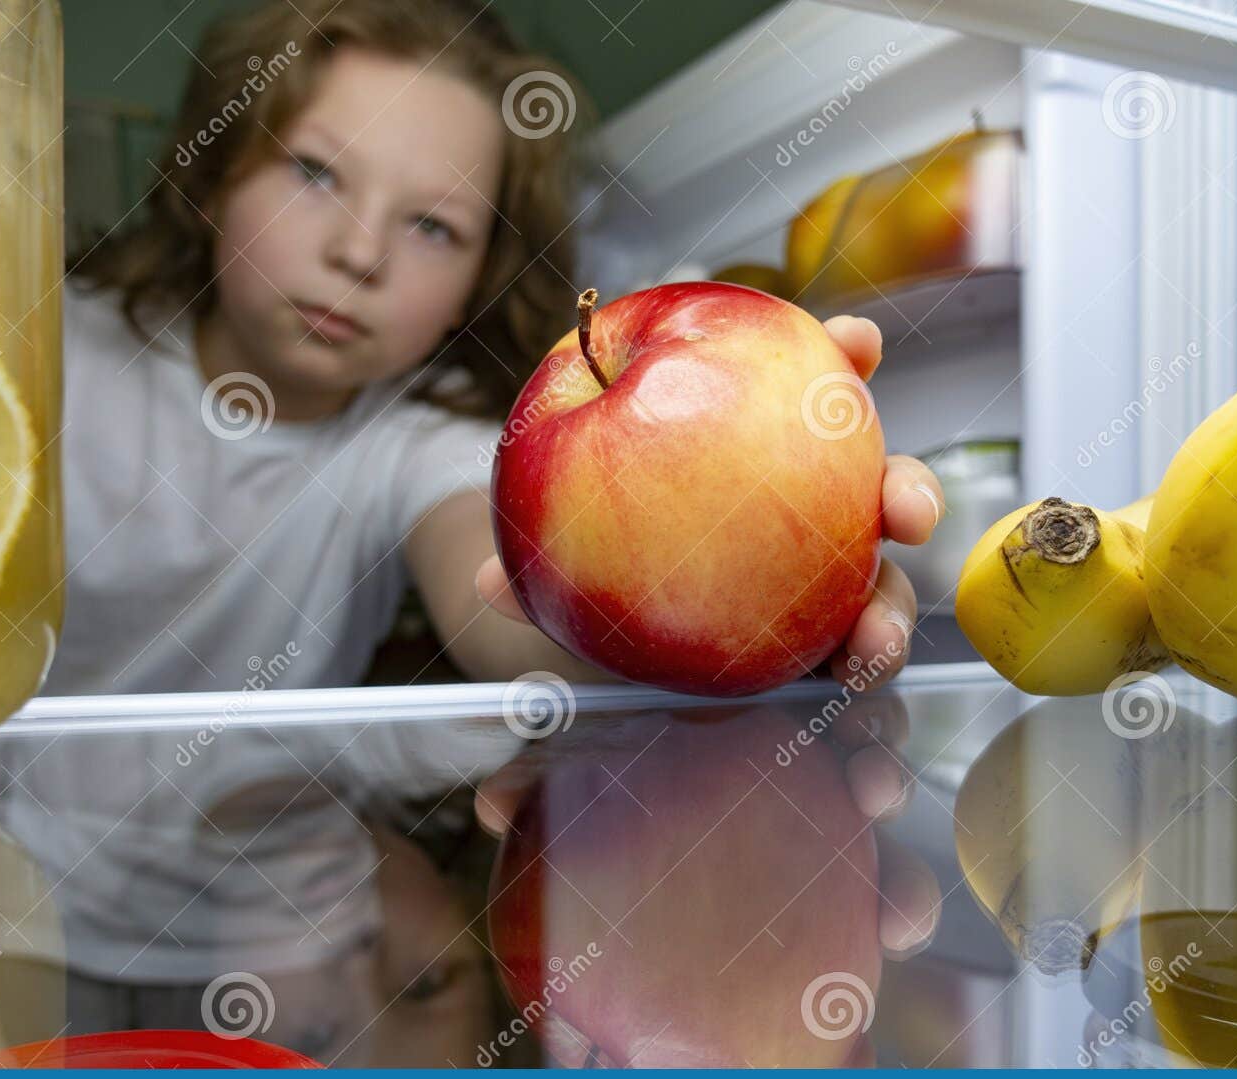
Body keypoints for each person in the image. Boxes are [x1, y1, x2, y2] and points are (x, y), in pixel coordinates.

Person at [55, 0, 941, 702]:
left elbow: (510, 612)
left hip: (264, 907)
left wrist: (770, 604)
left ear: (475, 285)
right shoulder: (50, 348)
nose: (360, 253)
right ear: (212, 179)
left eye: (433, 226)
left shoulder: (416, 440)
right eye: (316, 174)